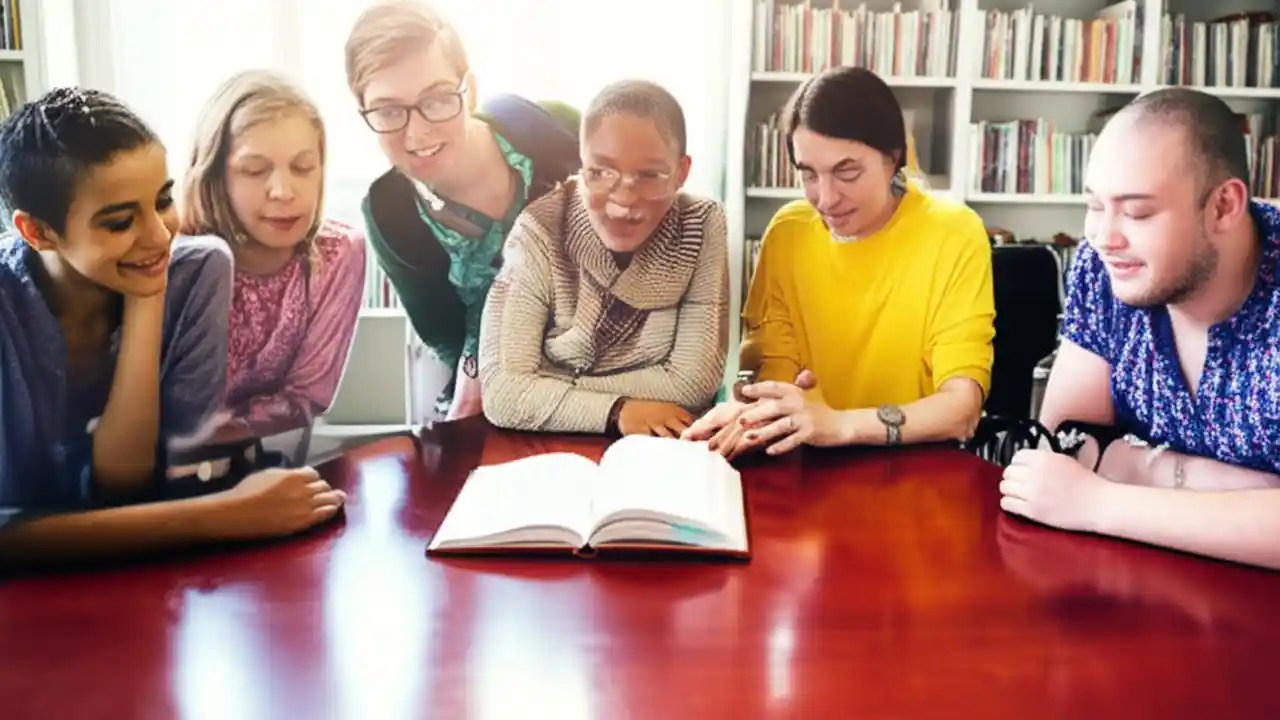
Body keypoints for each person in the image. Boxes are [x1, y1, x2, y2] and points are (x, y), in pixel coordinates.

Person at [0, 88, 344, 569]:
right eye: (120, 221)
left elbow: (127, 485)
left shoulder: (197, 269)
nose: (162, 235)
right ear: (38, 232)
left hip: (147, 578)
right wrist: (226, 515)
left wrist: (147, 295)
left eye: (162, 200)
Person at [1000, 88, 1280, 570]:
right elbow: (1064, 449)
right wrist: (1239, 493)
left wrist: (1100, 502)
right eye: (1094, 206)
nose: (1105, 237)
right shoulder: (1106, 267)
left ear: (1223, 206)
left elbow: (1075, 490)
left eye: (1138, 212)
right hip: (1137, 593)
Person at [683, 66, 994, 458]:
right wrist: (753, 412)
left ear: (893, 157)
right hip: (805, 465)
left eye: (846, 172)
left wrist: (839, 425)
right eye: (809, 174)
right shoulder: (789, 232)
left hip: (919, 472)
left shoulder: (953, 233)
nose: (826, 199)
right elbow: (771, 373)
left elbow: (961, 410)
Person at [345, 0, 581, 421]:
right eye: (388, 110)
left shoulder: (554, 126)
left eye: (436, 99)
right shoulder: (388, 213)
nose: (416, 132)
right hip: (498, 393)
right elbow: (449, 341)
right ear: (363, 111)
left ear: (469, 90)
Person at [479, 80, 728, 436]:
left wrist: (550, 384)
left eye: (649, 175)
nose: (623, 199)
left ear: (682, 173)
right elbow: (504, 394)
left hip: (664, 444)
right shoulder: (539, 230)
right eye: (600, 172)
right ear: (582, 163)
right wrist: (617, 410)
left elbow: (694, 384)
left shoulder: (701, 223)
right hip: (546, 449)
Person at [181, 70, 366, 441]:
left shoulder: (339, 253)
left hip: (274, 463)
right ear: (216, 176)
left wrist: (230, 436)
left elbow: (306, 398)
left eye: (302, 168)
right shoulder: (180, 258)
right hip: (167, 470)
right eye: (254, 170)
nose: (283, 191)